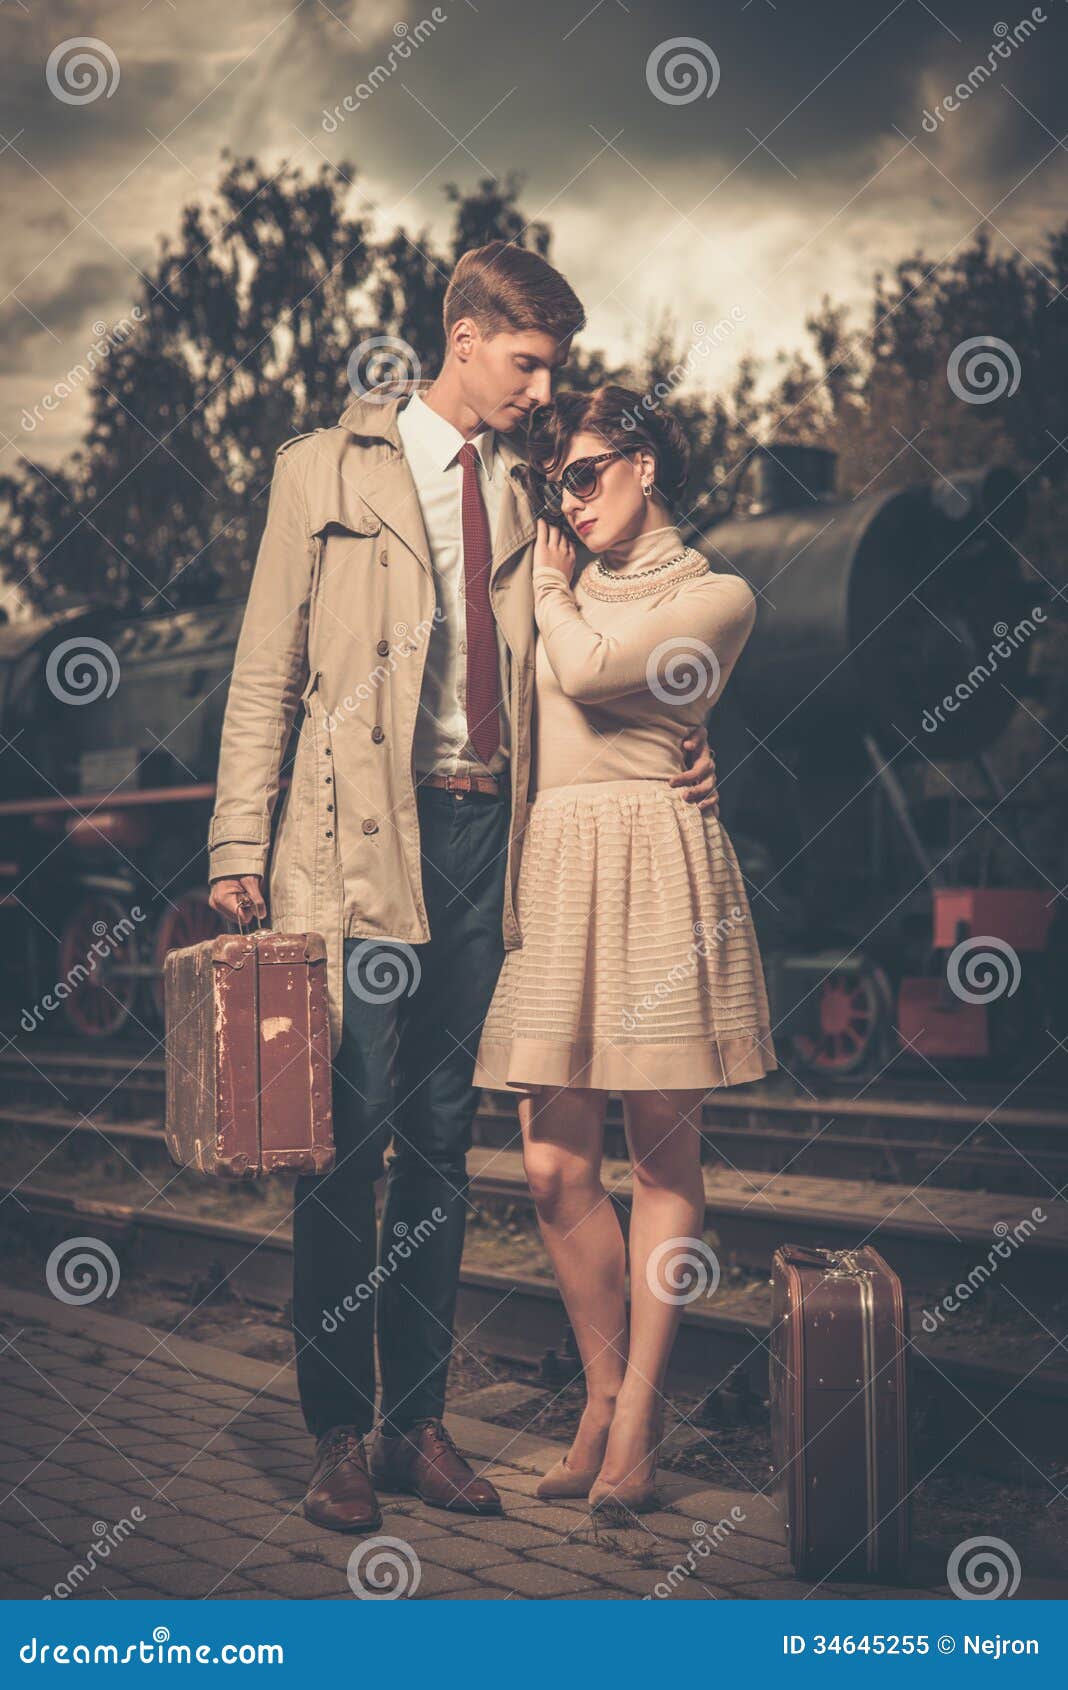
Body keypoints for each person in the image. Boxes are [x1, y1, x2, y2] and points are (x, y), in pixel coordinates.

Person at [206, 246, 720, 1533]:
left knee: (442, 1140)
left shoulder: (535, 489)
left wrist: (687, 741)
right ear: (467, 337)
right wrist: (235, 845)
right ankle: (335, 1430)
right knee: (343, 1135)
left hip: (490, 835)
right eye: (529, 363)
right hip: (354, 843)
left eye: (553, 369)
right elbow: (266, 664)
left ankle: (415, 1425)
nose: (544, 391)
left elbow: (619, 634)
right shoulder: (322, 470)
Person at [473, 385, 778, 1520]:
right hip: (553, 867)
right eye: (559, 482)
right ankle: (598, 1398)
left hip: (656, 868)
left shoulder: (720, 593)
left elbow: (601, 675)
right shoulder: (547, 582)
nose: (571, 499)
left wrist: (552, 586)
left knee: (660, 1161)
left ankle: (641, 1423)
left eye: (590, 473)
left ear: (646, 463)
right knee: (553, 1166)